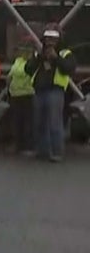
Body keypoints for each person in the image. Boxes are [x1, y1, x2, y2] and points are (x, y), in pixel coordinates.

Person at [26, 27, 77, 162]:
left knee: (55, 123)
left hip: (55, 91)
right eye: (47, 39)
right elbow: (28, 69)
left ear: (58, 40)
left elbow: (68, 69)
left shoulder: (66, 53)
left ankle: (56, 152)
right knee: (39, 122)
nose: (49, 42)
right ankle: (42, 151)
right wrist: (39, 57)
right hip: (39, 90)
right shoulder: (39, 53)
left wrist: (56, 58)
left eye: (53, 39)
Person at [6, 41, 36, 154]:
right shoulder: (18, 61)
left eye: (26, 50)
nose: (23, 52)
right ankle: (17, 144)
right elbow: (12, 73)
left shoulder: (32, 62)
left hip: (27, 94)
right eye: (22, 50)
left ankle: (28, 146)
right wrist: (8, 79)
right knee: (16, 121)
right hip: (15, 94)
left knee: (28, 121)